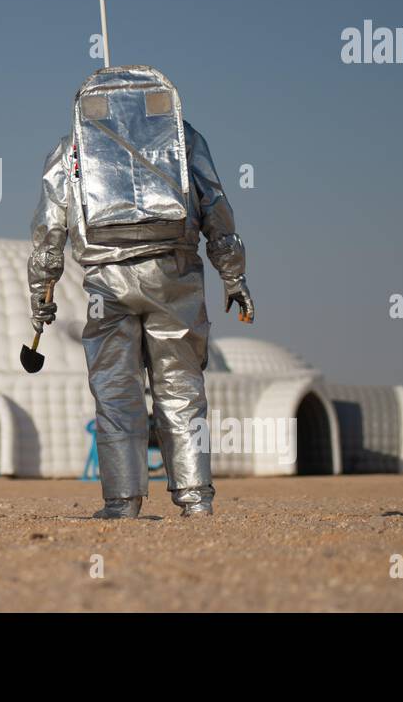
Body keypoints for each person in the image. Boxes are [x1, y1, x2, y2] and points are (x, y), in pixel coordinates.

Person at [27, 64, 253, 518]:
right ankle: (196, 501)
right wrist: (234, 276)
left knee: (116, 389)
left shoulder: (71, 148)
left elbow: (49, 233)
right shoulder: (182, 137)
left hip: (104, 283)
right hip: (175, 275)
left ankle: (122, 502)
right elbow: (215, 206)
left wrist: (41, 294)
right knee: (182, 388)